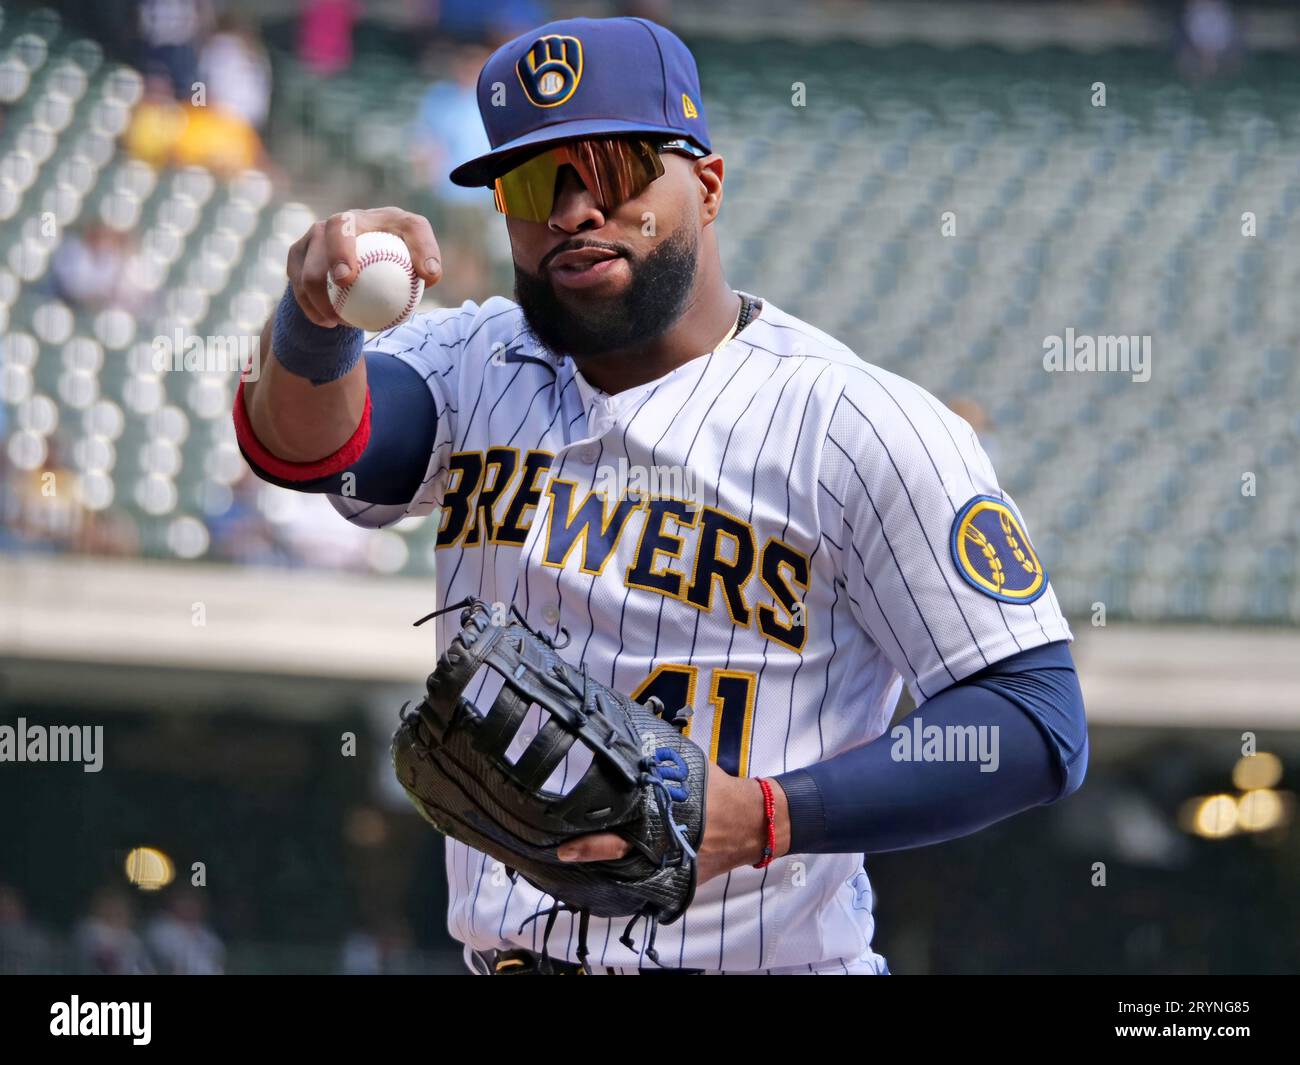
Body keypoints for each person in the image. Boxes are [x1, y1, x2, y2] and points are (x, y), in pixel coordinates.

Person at [235, 17, 1088, 974]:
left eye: (610, 168)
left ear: (707, 186)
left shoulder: (860, 423)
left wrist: (767, 816)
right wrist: (313, 323)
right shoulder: (474, 361)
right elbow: (313, 447)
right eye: (531, 183)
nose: (570, 209)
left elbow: (1031, 722)